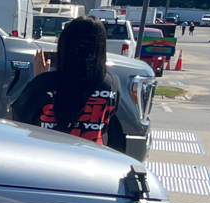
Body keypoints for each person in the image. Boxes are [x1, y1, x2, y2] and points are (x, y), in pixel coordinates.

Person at [9, 15, 125, 150]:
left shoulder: (46, 83)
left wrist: (39, 79)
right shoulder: (111, 83)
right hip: (93, 158)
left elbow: (20, 119)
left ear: (65, 46)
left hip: (49, 157)